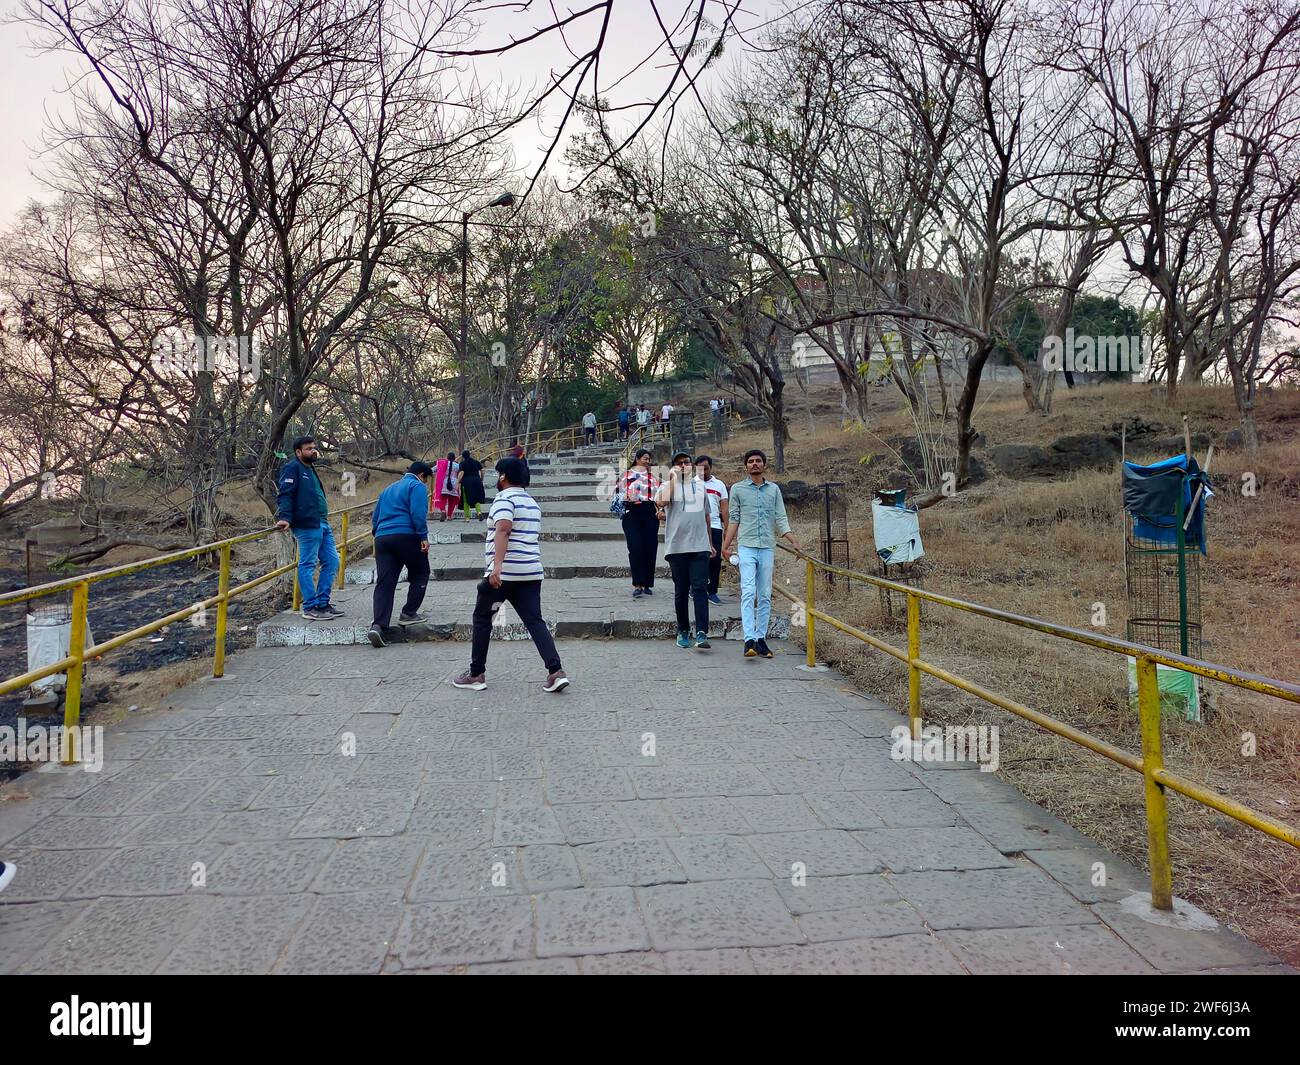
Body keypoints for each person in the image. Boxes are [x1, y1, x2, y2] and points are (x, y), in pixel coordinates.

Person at [453, 457, 569, 693]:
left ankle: (476, 674)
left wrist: (497, 567)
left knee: (483, 619)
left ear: (504, 476)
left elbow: (503, 529)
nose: (497, 478)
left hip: (504, 575)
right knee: (535, 621)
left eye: (498, 474)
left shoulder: (504, 499)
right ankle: (555, 671)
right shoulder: (532, 503)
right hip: (530, 573)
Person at [720, 448, 802, 658]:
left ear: (764, 465)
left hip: (766, 546)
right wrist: (725, 546)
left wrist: (794, 541)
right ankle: (748, 640)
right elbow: (734, 519)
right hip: (747, 546)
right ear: (746, 466)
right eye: (751, 461)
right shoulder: (737, 489)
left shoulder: (773, 489)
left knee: (764, 594)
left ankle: (761, 639)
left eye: (758, 461)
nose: (754, 464)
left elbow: (780, 518)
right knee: (748, 591)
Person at [275, 435, 343, 620]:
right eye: (308, 448)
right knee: (307, 564)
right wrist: (285, 517)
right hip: (307, 524)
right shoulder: (292, 468)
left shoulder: (310, 468)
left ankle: (323, 603)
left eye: (314, 447)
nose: (313, 450)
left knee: (332, 561)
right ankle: (310, 607)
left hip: (322, 522)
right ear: (298, 452)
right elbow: (285, 494)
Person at [367, 461, 433, 647]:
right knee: (421, 572)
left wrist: (379, 534)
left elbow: (375, 517)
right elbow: (418, 513)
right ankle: (409, 613)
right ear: (422, 475)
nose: (425, 483)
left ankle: (378, 625)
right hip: (406, 535)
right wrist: (423, 536)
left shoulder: (388, 489)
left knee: (385, 583)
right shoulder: (416, 486)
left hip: (382, 538)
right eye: (426, 480)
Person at [657, 451, 715, 649]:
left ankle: (701, 632)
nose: (684, 466)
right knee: (681, 590)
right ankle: (682, 630)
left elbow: (707, 516)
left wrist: (710, 543)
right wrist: (673, 480)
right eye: (679, 463)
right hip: (677, 547)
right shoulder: (666, 487)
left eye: (687, 463)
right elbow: (661, 503)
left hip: (699, 546)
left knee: (700, 588)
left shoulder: (700, 487)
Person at [619, 447, 661, 598]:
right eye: (644, 458)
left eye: (649, 459)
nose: (647, 461)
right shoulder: (626, 475)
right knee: (635, 547)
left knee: (650, 546)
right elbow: (618, 494)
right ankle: (638, 584)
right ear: (637, 459)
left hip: (649, 512)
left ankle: (648, 583)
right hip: (631, 513)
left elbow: (659, 496)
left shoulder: (653, 477)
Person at [694, 454, 729, 605]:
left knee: (714, 559)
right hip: (695, 526)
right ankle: (695, 588)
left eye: (706, 469)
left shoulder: (719, 485)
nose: (703, 472)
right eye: (699, 470)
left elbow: (725, 507)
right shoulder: (691, 483)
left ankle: (712, 591)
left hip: (714, 525)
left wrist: (727, 527)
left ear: (711, 468)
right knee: (696, 559)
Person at [458, 449, 486, 520]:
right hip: (477, 481)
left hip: (466, 482)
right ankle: (479, 512)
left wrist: (458, 481)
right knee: (476, 499)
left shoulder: (462, 463)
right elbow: (482, 471)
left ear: (463, 456)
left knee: (465, 499)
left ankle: (467, 517)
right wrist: (481, 479)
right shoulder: (476, 462)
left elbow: (462, 473)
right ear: (469, 455)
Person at [433, 451, 460, 522]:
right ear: (454, 458)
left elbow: (432, 470)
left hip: (444, 483)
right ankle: (449, 516)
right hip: (454, 483)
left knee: (443, 498)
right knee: (452, 500)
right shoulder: (457, 465)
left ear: (447, 457)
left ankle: (443, 511)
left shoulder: (442, 463)